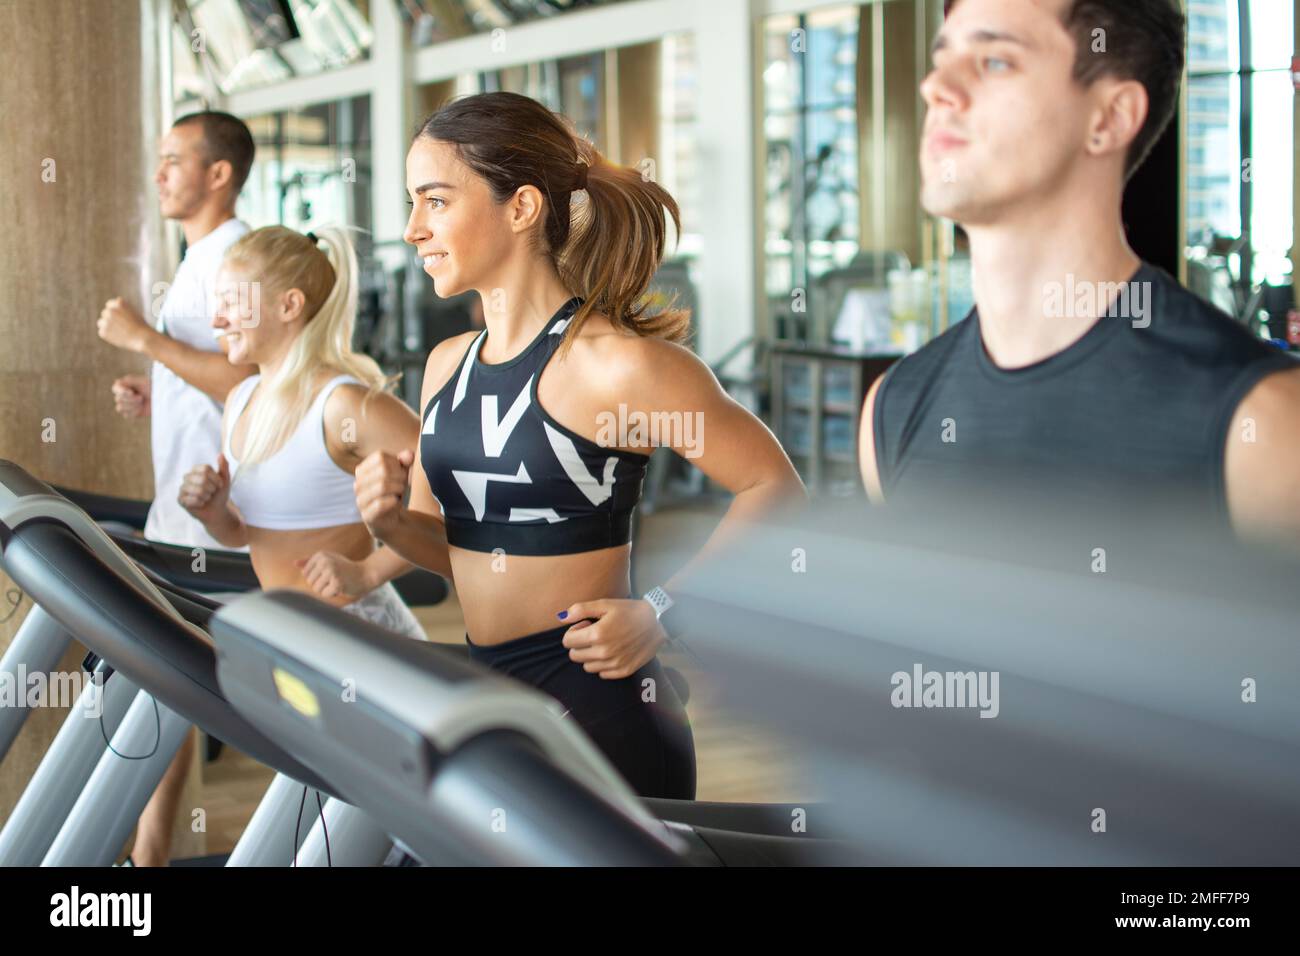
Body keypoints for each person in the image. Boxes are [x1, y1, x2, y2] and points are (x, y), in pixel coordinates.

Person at [312, 92, 806, 801]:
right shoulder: (447, 365)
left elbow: (776, 489)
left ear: (521, 208)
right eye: (412, 204)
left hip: (602, 705)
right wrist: (387, 523)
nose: (413, 229)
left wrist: (662, 612)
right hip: (489, 695)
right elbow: (451, 548)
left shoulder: (617, 365)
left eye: (436, 201)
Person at [860, 0, 1300, 542]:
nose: (935, 88)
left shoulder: (1265, 429)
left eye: (995, 61)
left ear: (1109, 118)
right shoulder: (893, 409)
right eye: (942, 57)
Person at [96, 110, 257, 866]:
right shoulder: (197, 258)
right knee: (171, 689)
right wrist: (157, 388)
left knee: (170, 685)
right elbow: (214, 386)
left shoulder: (240, 257)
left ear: (217, 173)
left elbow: (253, 382)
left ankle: (147, 860)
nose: (158, 174)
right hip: (179, 507)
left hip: (214, 517)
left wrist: (146, 341)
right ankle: (147, 857)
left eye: (173, 160)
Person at [178, 225, 426, 638]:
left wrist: (368, 572)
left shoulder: (342, 405)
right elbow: (247, 531)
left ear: (289, 305)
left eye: (231, 302)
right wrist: (214, 514)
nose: (217, 319)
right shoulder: (240, 401)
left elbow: (462, 496)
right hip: (292, 637)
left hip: (360, 637)